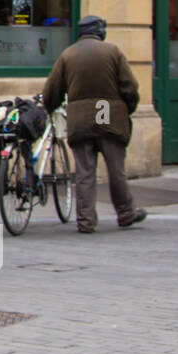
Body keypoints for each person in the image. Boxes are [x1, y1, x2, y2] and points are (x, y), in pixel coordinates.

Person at [40, 14, 146, 233]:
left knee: (85, 171)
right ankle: (126, 213)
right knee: (116, 168)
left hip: (80, 117)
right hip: (106, 111)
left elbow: (52, 91)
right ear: (100, 31)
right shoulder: (112, 51)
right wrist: (127, 108)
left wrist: (50, 108)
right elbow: (130, 87)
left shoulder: (68, 54)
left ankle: (86, 220)